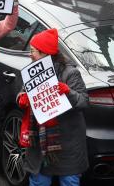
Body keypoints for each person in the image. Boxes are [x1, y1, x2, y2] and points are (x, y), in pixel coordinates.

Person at [18, 28, 89, 186]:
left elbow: (84, 101)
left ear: (45, 54)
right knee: (39, 182)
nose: (30, 55)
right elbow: (22, 93)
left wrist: (68, 92)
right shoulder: (33, 72)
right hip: (40, 143)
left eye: (33, 51)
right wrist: (22, 99)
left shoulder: (70, 73)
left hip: (68, 143)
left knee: (69, 182)